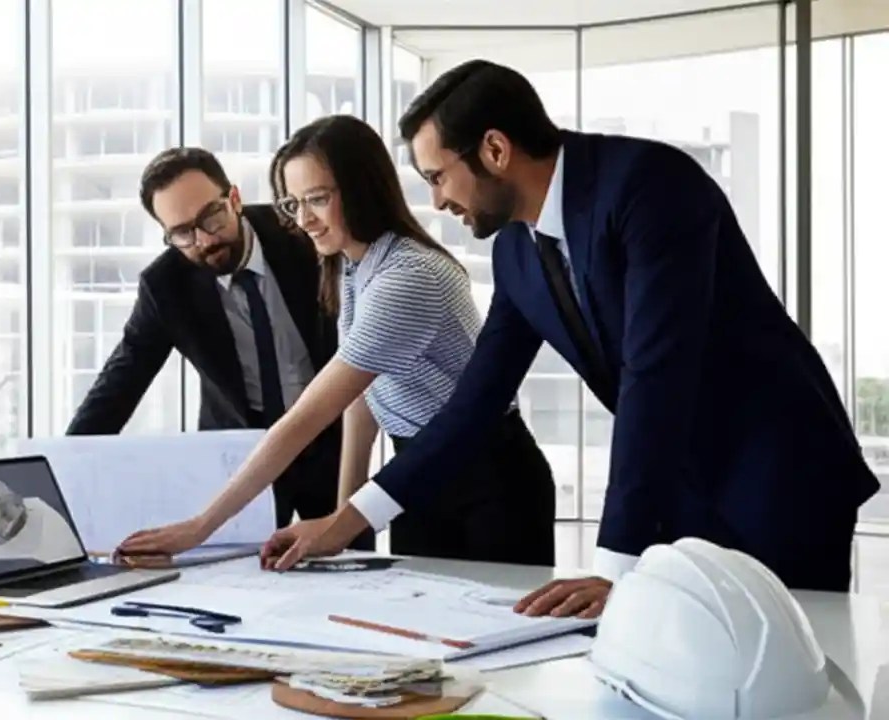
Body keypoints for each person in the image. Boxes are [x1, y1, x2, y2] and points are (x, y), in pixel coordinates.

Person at [260, 60, 880, 617]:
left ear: (495, 149)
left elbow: (654, 375)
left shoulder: (648, 185)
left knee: (799, 668)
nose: (437, 199)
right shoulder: (515, 253)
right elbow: (473, 405)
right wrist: (348, 520)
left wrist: (614, 564)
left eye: (439, 176)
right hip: (680, 486)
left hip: (777, 474)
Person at [116, 115, 555, 565]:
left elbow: (303, 419)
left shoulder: (406, 277)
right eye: (293, 204)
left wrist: (200, 528)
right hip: (419, 477)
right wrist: (343, 520)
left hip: (490, 480)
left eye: (318, 199)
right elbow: (362, 396)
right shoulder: (352, 265)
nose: (304, 220)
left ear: (361, 187)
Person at [65, 147, 350, 533]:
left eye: (210, 218)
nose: (203, 240)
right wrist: (65, 464)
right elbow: (121, 380)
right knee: (243, 576)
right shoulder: (165, 286)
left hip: (330, 437)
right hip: (241, 455)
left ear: (234, 199)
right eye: (182, 232)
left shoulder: (299, 233)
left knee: (352, 563)